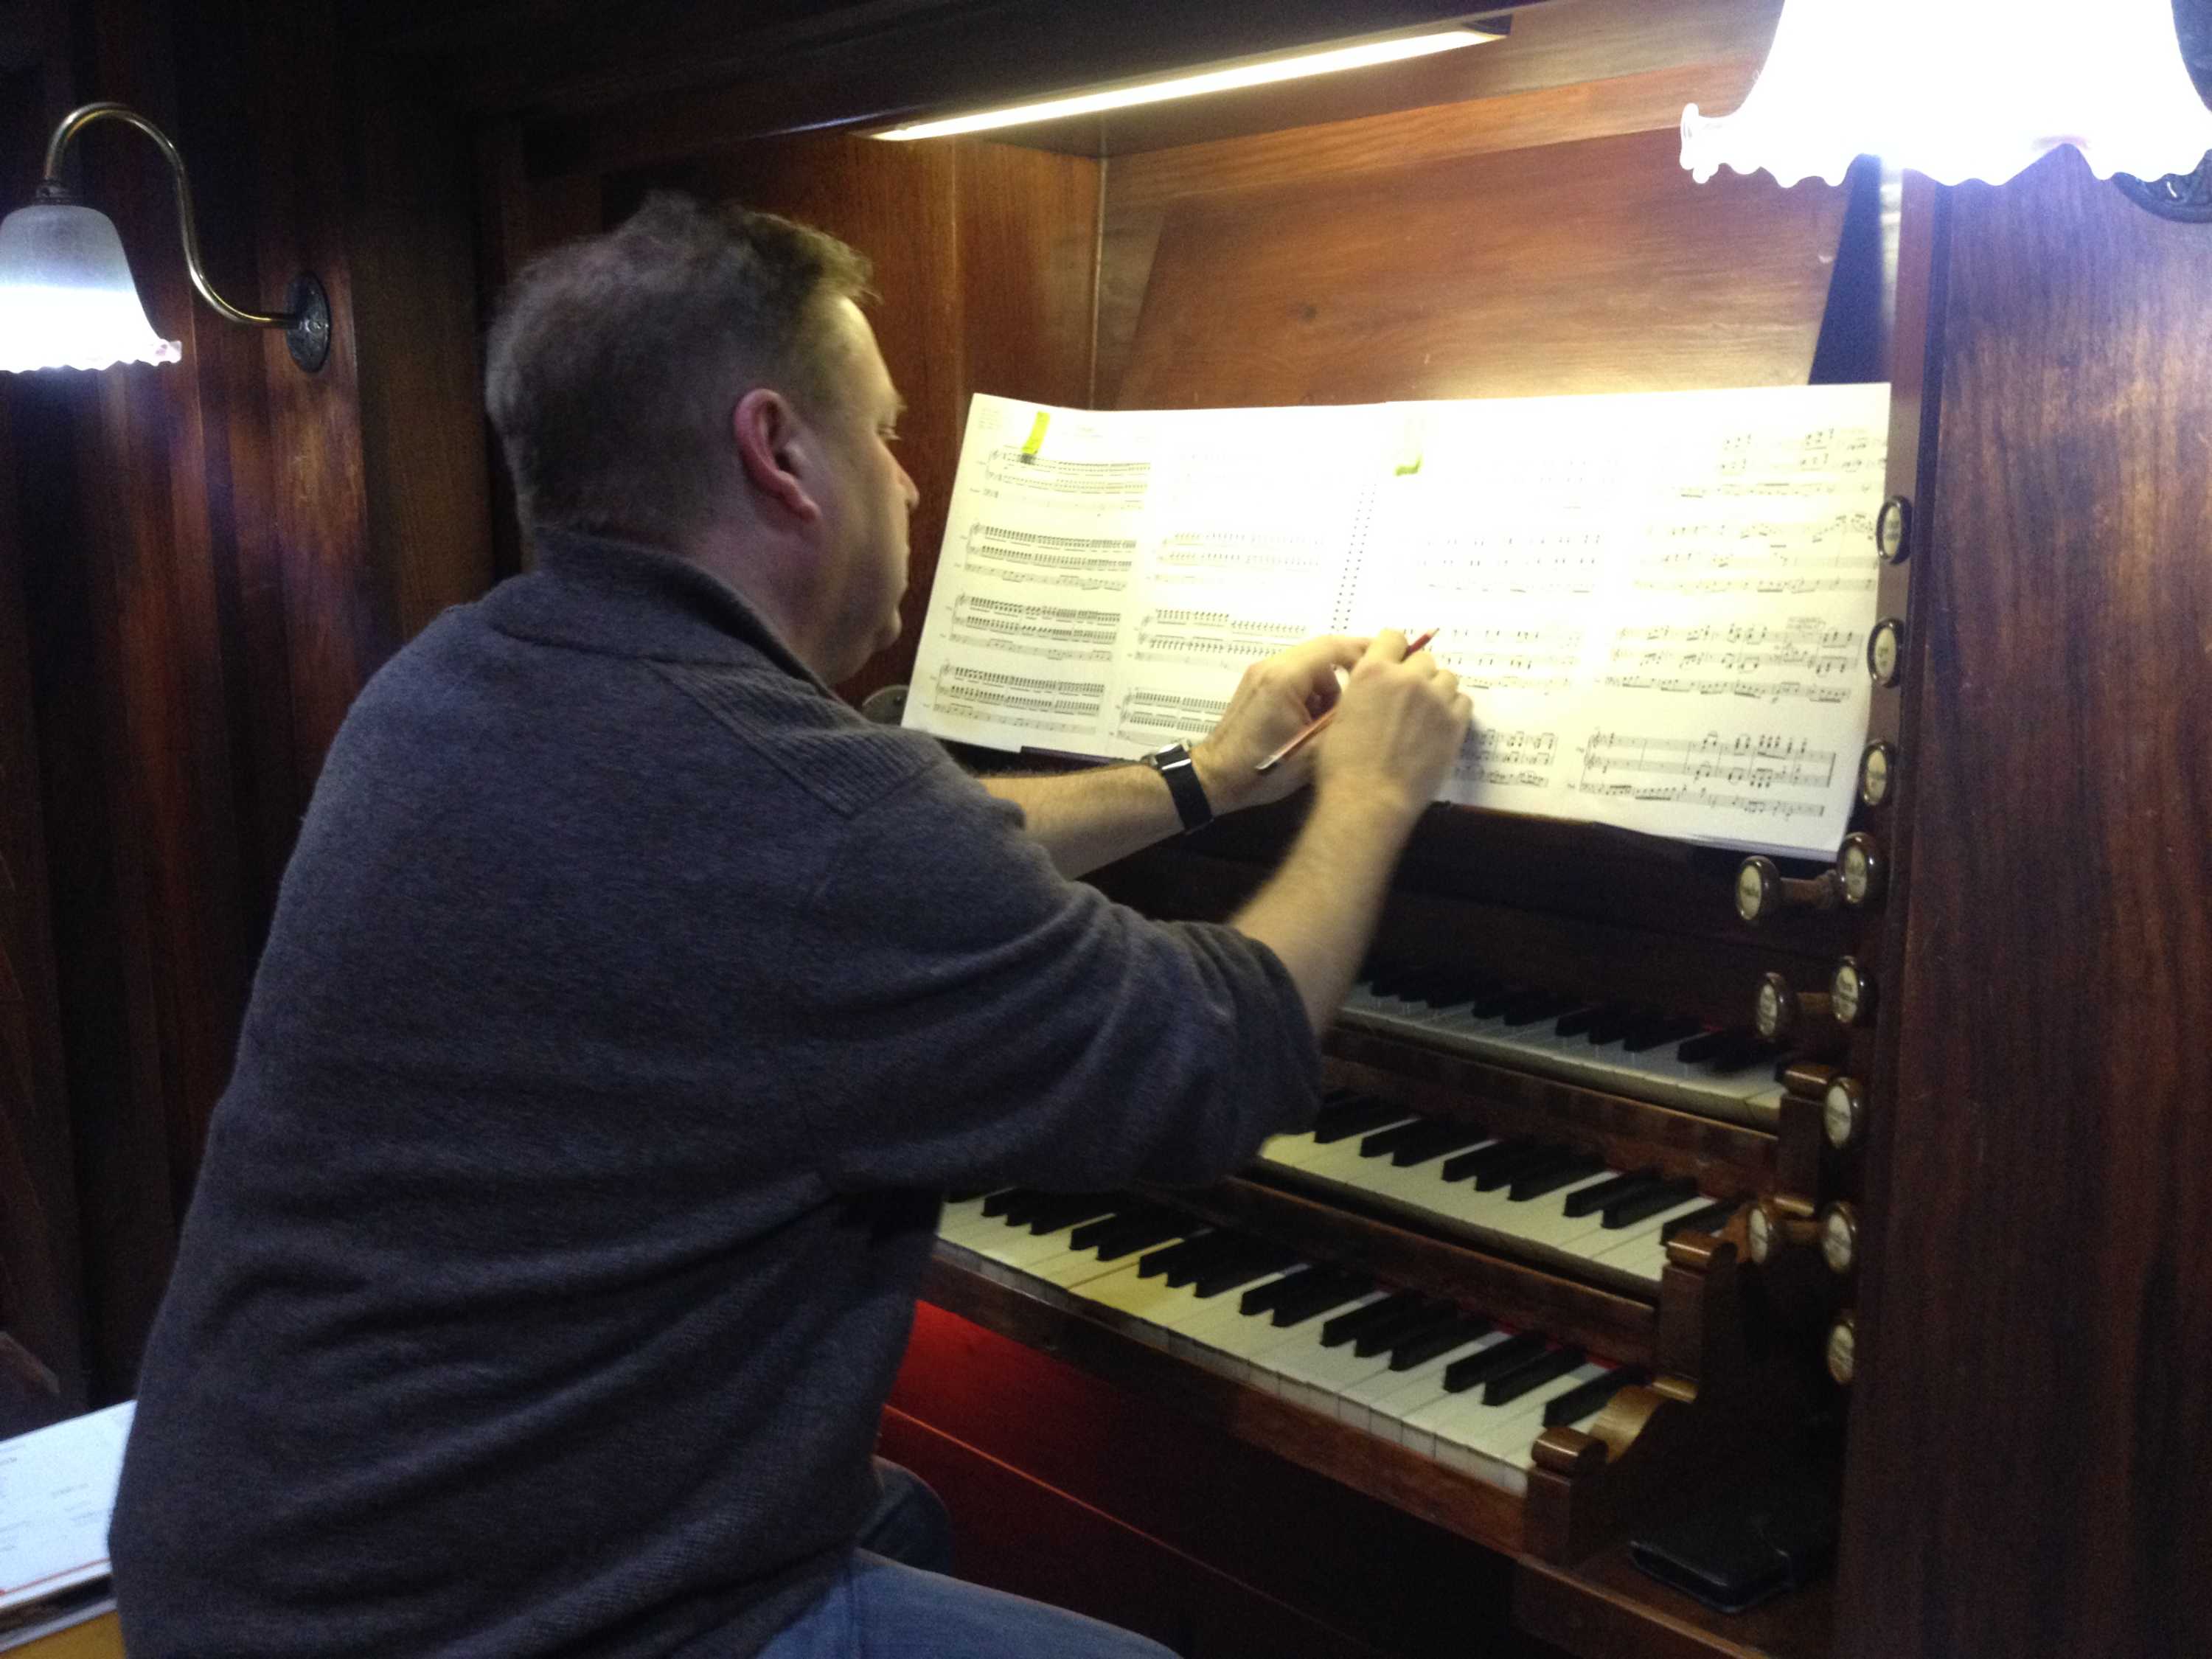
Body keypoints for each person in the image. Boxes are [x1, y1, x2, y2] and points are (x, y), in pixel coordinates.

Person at [108, 192, 1472, 1658]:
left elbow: (864, 854)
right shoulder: (808, 824)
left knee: (899, 1513)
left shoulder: (454, 683)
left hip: (239, 1573)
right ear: (779, 454)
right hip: (484, 1624)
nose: (910, 482)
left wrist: (1198, 779)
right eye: (887, 432)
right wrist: (1375, 793)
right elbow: (1219, 1055)